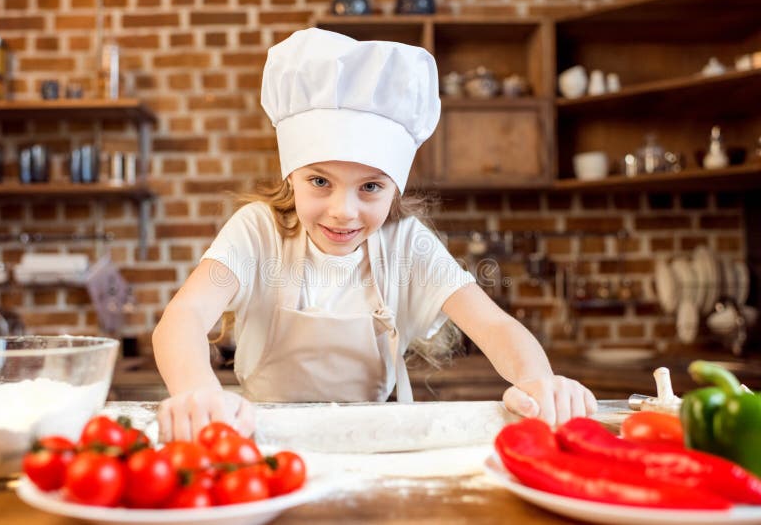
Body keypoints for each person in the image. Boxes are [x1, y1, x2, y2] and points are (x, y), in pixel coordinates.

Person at [153, 28, 597, 442]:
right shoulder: (256, 230)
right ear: (291, 176)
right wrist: (196, 390)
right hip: (264, 436)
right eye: (320, 182)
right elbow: (184, 318)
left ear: (395, 189)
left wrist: (538, 380)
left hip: (376, 439)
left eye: (370, 187)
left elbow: (494, 324)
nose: (343, 211)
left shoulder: (407, 241)